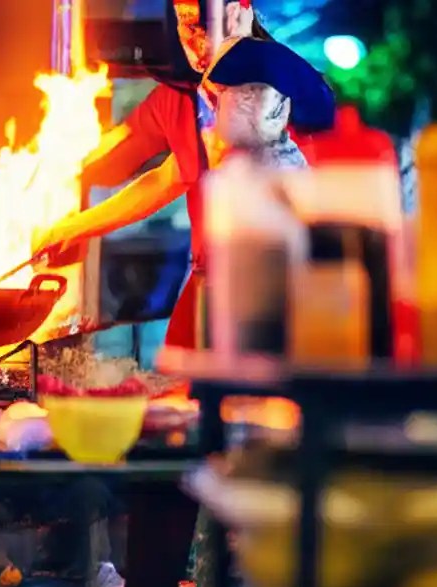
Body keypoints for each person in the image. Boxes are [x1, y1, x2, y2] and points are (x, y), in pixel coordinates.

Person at [34, 0, 334, 350]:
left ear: (241, 11)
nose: (195, 42)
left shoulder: (277, 80)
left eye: (204, 27)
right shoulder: (183, 96)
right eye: (186, 25)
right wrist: (69, 226)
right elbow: (166, 176)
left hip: (281, 278)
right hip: (211, 277)